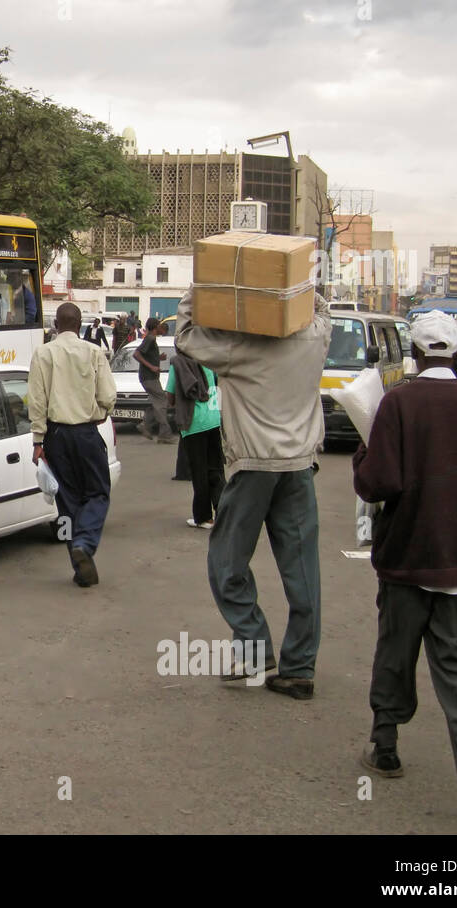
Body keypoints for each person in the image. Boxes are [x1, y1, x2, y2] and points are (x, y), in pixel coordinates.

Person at [352, 312, 457, 823]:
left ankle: (385, 747)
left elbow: (378, 482)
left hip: (407, 556)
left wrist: (364, 455)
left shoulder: (399, 403)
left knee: (396, 650)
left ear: (416, 354)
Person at [176, 288, 333, 698]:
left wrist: (199, 292)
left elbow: (186, 337)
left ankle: (253, 649)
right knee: (302, 571)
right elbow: (321, 310)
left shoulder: (238, 348)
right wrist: (303, 289)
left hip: (253, 469)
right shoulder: (314, 339)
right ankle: (299, 668)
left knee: (226, 563)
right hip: (299, 468)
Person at [27, 302, 116, 588]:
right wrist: (99, 413)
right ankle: (85, 543)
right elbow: (108, 396)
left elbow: (37, 401)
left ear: (56, 326)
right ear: (79, 326)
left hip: (55, 436)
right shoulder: (93, 352)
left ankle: (78, 565)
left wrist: (38, 441)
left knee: (67, 502)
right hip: (87, 433)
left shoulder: (43, 353)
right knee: (98, 493)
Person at [166, 351, 224, 528]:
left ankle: (204, 517)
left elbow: (170, 397)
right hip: (213, 419)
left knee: (199, 472)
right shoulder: (208, 358)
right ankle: (225, 513)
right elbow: (216, 384)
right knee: (216, 470)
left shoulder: (178, 364)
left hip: (193, 423)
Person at [133, 317, 173, 444]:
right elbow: (136, 354)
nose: (163, 328)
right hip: (149, 377)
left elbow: (146, 355)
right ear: (156, 327)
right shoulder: (150, 338)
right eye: (160, 326)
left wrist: (158, 358)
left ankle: (146, 424)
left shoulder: (151, 339)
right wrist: (152, 367)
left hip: (150, 377)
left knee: (157, 402)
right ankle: (164, 434)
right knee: (162, 400)